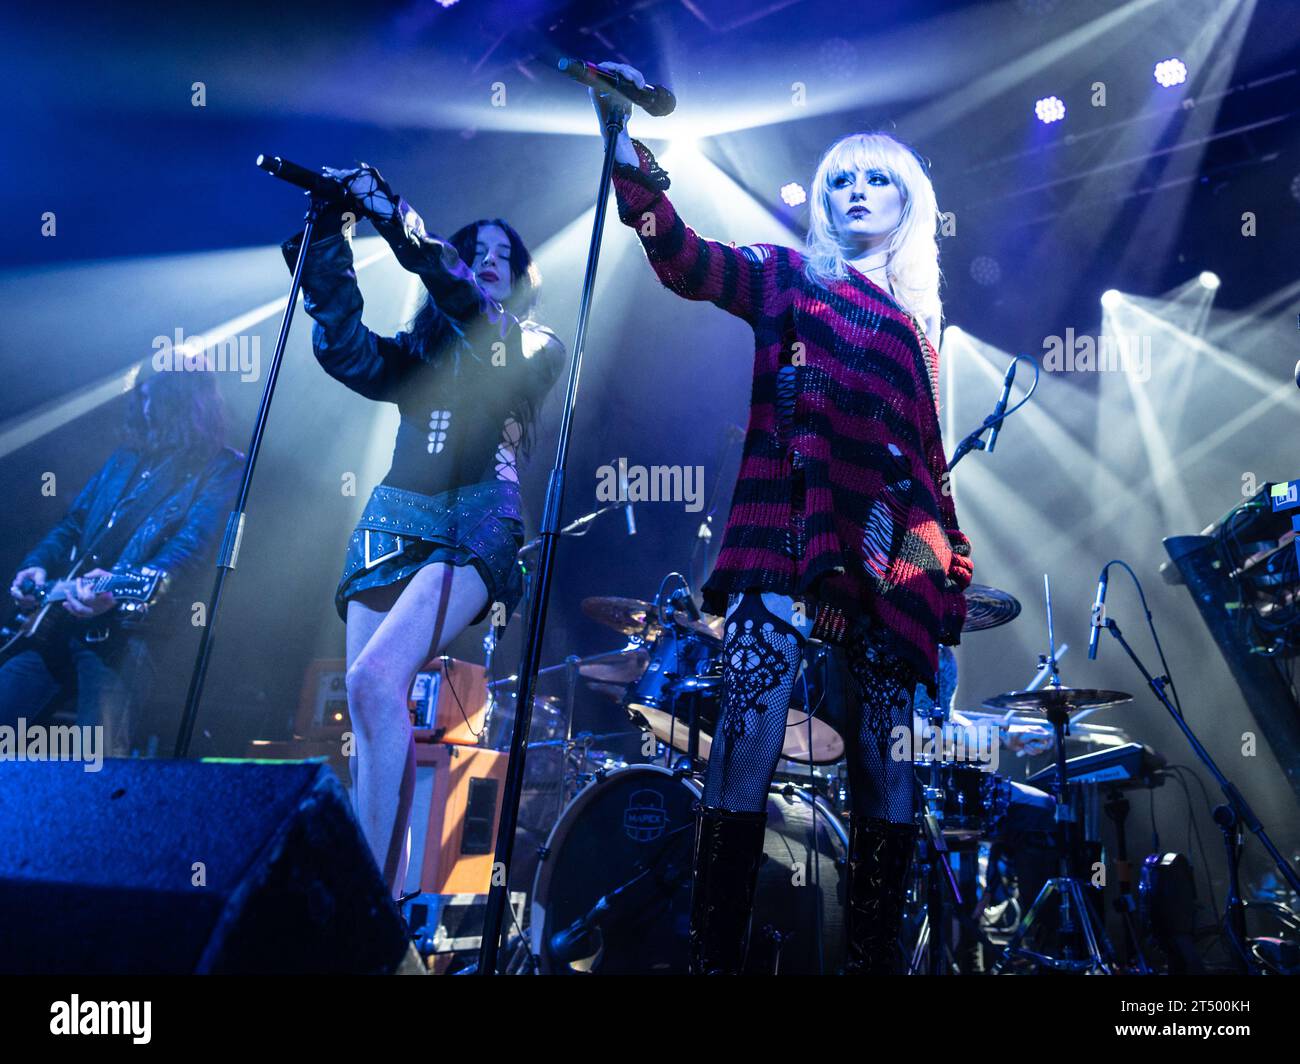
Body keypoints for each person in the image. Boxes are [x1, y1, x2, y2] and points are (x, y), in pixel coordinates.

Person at [595, 63, 974, 973]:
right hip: (783, 542)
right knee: (744, 748)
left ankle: (873, 963)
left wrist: (944, 569)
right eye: (839, 178)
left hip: (888, 570)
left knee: (889, 778)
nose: (853, 191)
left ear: (910, 202)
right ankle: (713, 962)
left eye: (875, 177)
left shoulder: (921, 336)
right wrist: (620, 148)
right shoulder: (789, 277)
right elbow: (688, 261)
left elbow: (925, 472)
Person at [281, 165, 565, 895]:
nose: (493, 258)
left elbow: (476, 318)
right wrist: (331, 241)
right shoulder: (420, 359)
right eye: (480, 249)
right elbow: (347, 351)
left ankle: (371, 903)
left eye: (506, 253)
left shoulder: (534, 345)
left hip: (476, 515)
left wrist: (397, 220)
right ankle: (389, 894)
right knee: (370, 702)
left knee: (378, 679)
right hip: (391, 517)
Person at [1, 365, 241, 756]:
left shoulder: (221, 468)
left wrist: (120, 583)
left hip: (125, 634)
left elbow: (191, 547)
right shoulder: (126, 458)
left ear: (183, 398)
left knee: (97, 763)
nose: (144, 408)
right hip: (59, 620)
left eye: (152, 397)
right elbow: (74, 522)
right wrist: (38, 562)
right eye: (141, 396)